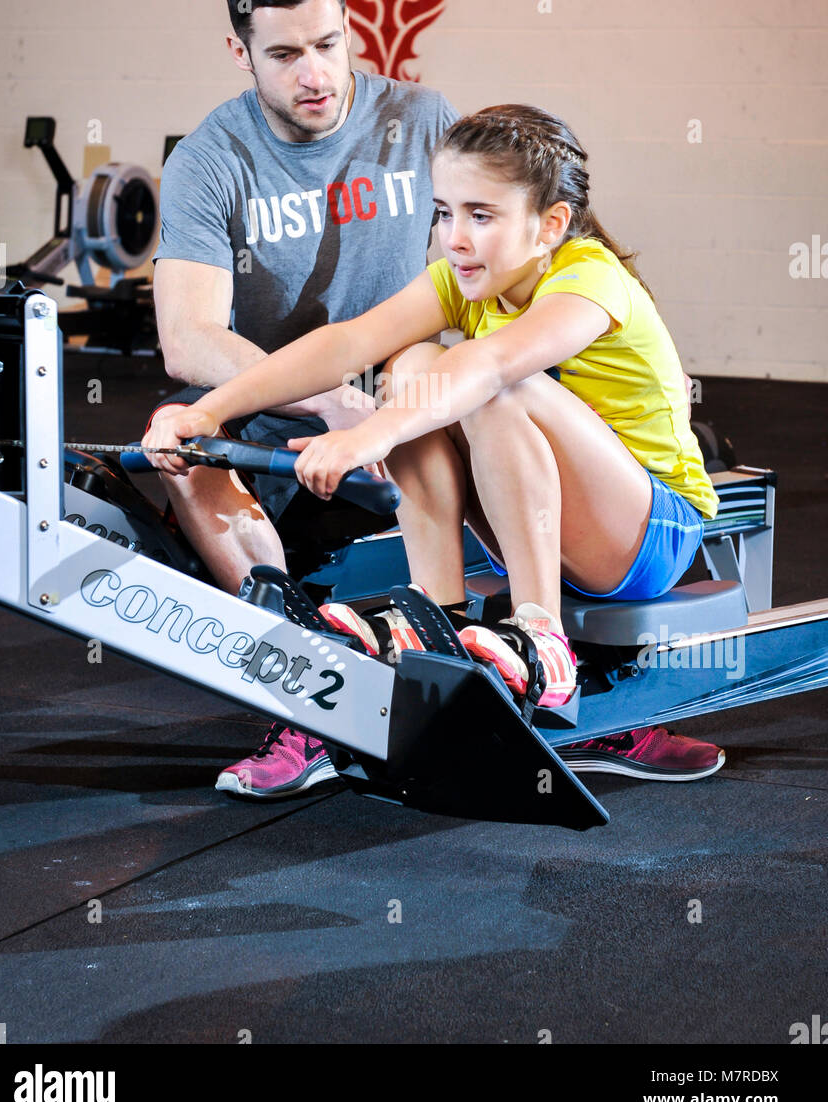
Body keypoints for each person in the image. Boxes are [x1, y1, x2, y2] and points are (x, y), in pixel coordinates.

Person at [145, 104, 726, 786]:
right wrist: (206, 413)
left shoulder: (588, 276)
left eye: (482, 216)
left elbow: (492, 367)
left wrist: (365, 437)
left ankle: (544, 641)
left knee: (488, 382)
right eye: (444, 213)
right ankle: (440, 617)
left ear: (551, 226)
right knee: (410, 365)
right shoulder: (465, 279)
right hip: (555, 517)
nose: (454, 238)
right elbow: (346, 344)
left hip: (650, 531)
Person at [145, 0, 459, 798]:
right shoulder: (211, 158)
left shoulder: (422, 122)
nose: (314, 73)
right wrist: (327, 401)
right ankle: (306, 696)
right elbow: (188, 336)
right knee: (183, 435)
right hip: (282, 419)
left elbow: (476, 289)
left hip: (402, 401)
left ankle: (565, 667)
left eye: (328, 43)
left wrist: (400, 406)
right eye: (284, 55)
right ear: (239, 51)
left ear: (350, 26)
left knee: (494, 392)